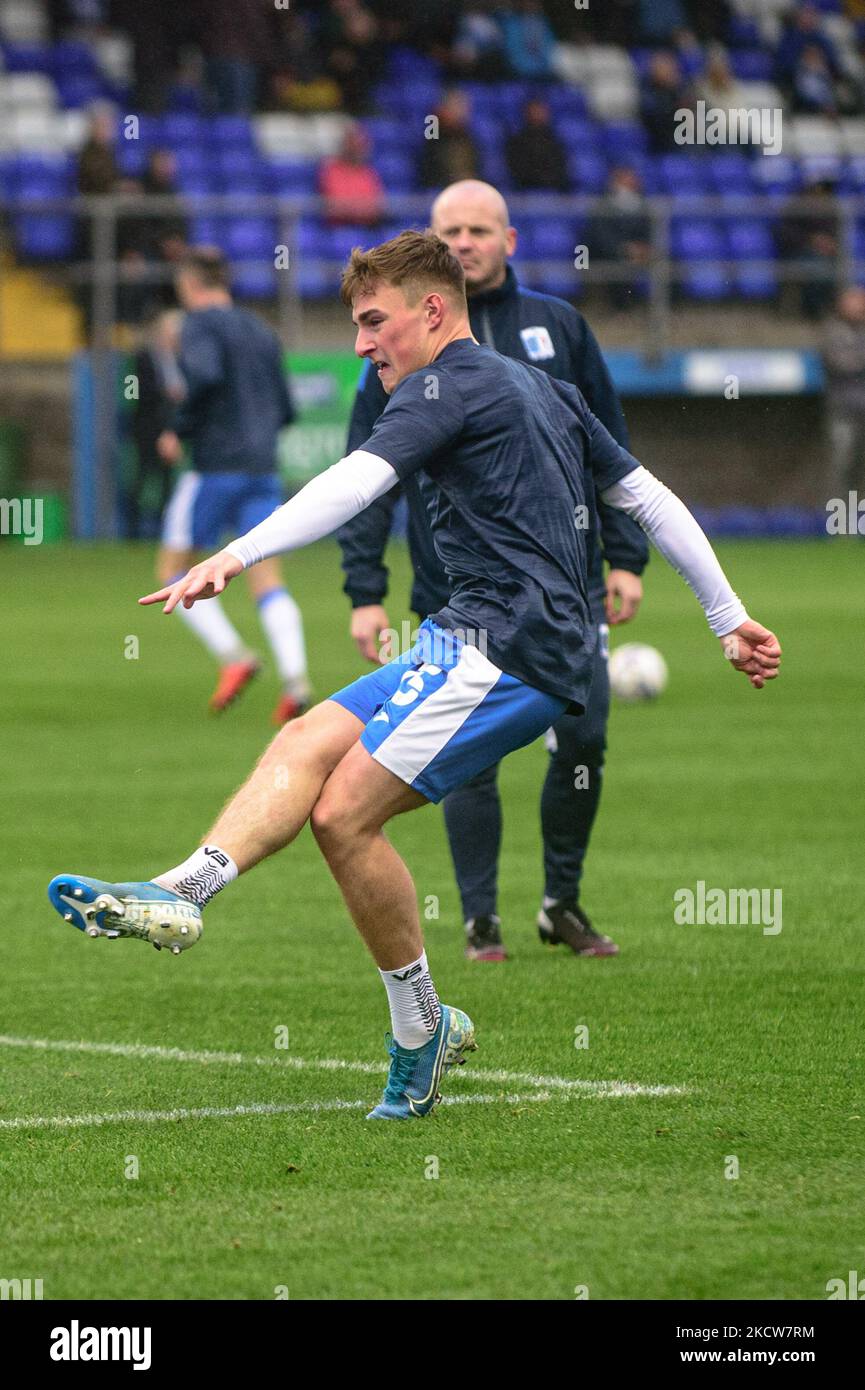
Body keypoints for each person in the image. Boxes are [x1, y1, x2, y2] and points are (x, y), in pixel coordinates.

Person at [48, 231, 781, 1122]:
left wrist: (234, 556)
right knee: (306, 738)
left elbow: (354, 482)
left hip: (513, 645)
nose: (361, 345)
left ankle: (417, 1031)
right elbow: (648, 496)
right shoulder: (541, 388)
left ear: (430, 312)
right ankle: (183, 890)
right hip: (467, 634)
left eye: (371, 323)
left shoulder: (443, 382)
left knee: (344, 817)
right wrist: (725, 615)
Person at [338, 179, 648, 962]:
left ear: (508, 241)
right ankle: (479, 919)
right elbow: (362, 478)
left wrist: (626, 560)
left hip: (563, 594)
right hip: (453, 595)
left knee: (584, 742)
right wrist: (364, 591)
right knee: (462, 760)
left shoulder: (558, 327)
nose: (465, 241)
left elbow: (608, 451)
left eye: (479, 229)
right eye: (450, 230)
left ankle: (560, 902)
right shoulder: (394, 353)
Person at [155, 248, 311, 722]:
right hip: (262, 468)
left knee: (173, 571)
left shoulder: (197, 324)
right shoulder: (262, 329)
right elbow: (286, 407)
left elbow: (204, 376)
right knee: (266, 576)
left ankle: (236, 657)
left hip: (215, 468)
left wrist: (177, 428)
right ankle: (295, 679)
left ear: (190, 283)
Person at [127, 309, 186, 540]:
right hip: (147, 428)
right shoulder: (143, 358)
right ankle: (132, 529)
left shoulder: (181, 358)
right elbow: (133, 392)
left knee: (167, 481)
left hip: (170, 428)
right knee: (142, 477)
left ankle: (165, 529)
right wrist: (164, 393)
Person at [586, 167, 652, 313]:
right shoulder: (602, 206)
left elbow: (649, 232)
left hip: (638, 252)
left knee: (661, 260)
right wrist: (624, 249)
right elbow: (600, 237)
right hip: (609, 252)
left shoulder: (644, 206)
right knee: (616, 262)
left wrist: (642, 248)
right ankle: (620, 307)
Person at [823, 285, 865, 496]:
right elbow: (838, 362)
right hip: (844, 409)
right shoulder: (833, 330)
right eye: (852, 303)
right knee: (842, 462)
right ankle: (839, 518)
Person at [318, 124, 385, 227]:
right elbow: (336, 205)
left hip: (367, 227)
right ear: (344, 145)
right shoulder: (331, 169)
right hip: (337, 228)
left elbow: (376, 207)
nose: (357, 149)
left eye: (360, 145)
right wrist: (360, 209)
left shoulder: (368, 172)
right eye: (352, 145)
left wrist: (361, 210)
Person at [419, 90, 480, 189]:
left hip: (467, 186)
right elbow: (429, 167)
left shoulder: (466, 134)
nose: (462, 111)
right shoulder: (433, 131)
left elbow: (476, 164)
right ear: (444, 108)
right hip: (440, 187)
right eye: (456, 105)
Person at [505, 98, 568, 193]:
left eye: (540, 111)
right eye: (535, 111)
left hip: (553, 189)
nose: (538, 114)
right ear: (527, 113)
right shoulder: (518, 141)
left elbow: (560, 167)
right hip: (525, 190)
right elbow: (518, 168)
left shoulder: (554, 140)